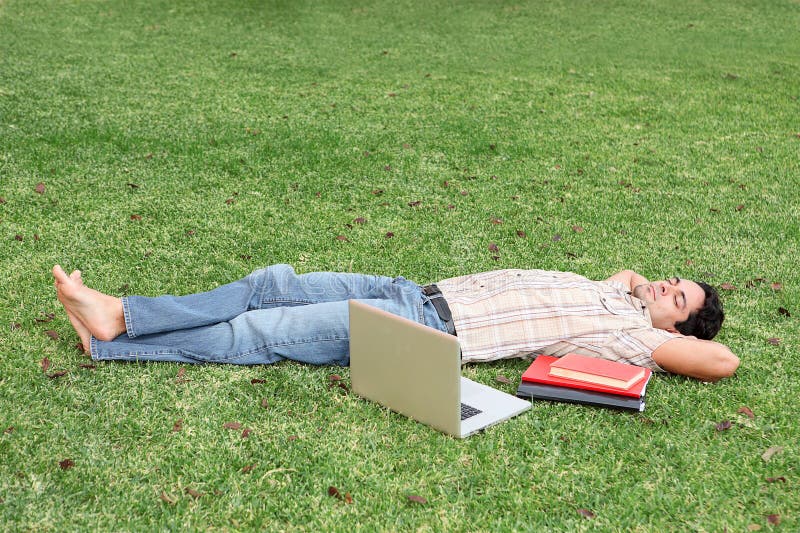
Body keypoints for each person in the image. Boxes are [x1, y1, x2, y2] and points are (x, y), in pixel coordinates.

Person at [51, 263, 739, 382]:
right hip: (412, 289)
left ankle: (118, 328)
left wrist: (666, 326)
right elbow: (624, 274)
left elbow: (723, 360)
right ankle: (120, 322)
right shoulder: (613, 293)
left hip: (418, 329)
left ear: (674, 330)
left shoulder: (633, 339)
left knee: (261, 334)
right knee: (271, 285)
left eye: (679, 298)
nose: (668, 286)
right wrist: (643, 288)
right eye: (674, 280)